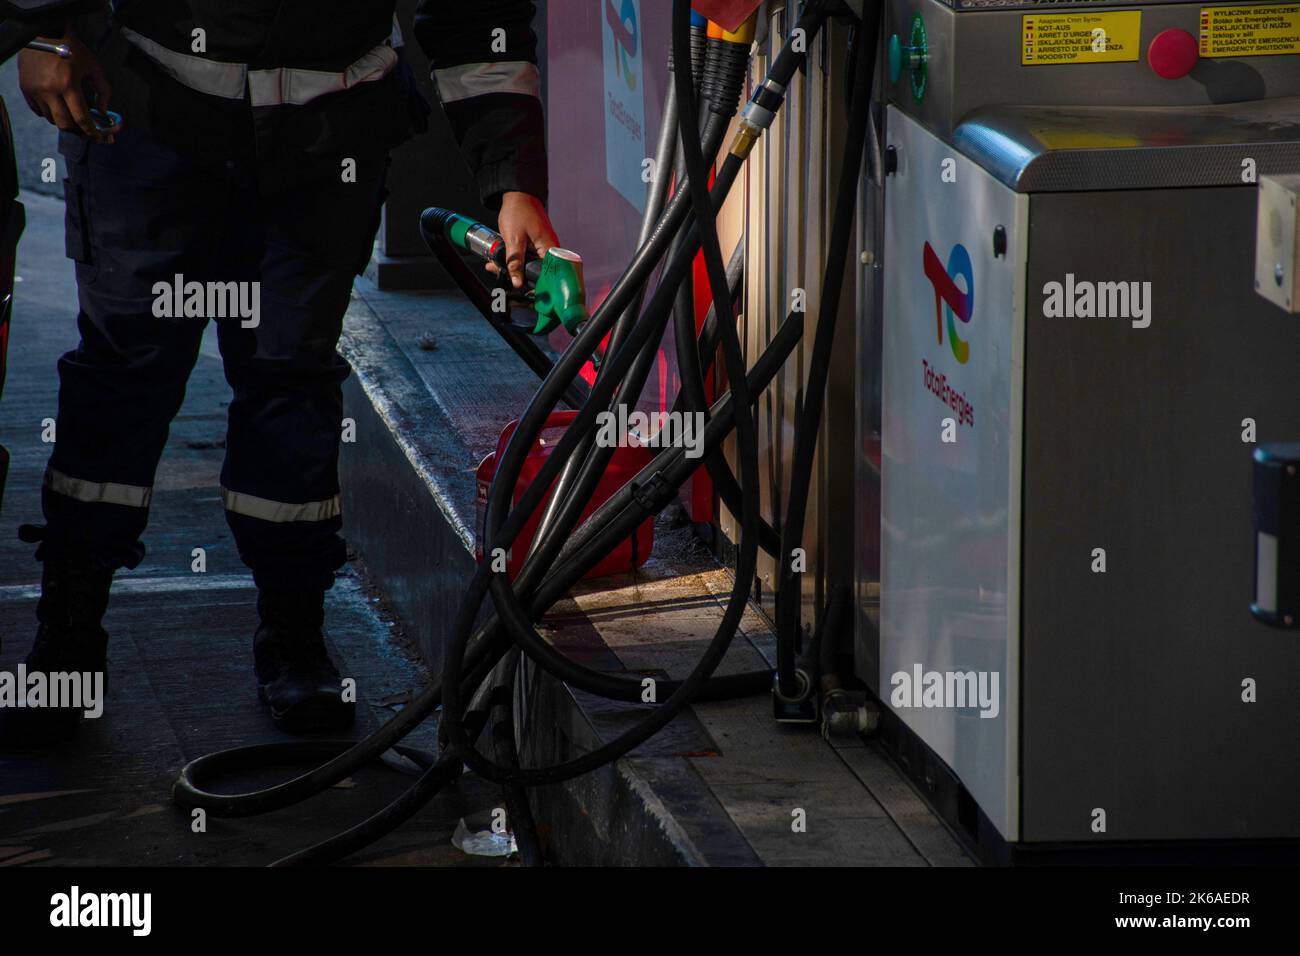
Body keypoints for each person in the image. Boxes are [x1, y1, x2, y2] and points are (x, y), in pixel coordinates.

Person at [3, 1, 557, 743]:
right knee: (121, 374)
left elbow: (476, 16)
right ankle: (68, 630)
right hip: (149, 113)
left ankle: (293, 633)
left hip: (327, 141)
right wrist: (45, 25)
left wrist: (514, 182)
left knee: (289, 380)